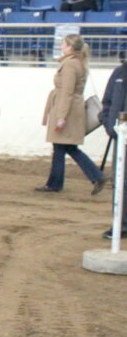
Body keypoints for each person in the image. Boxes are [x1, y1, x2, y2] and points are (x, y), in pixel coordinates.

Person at [35, 34, 107, 195]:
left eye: (64, 44)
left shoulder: (69, 64)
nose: (62, 46)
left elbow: (67, 92)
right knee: (64, 147)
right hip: (73, 108)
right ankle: (58, 182)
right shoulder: (78, 62)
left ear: (70, 47)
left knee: (63, 146)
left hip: (67, 109)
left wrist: (61, 116)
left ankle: (59, 183)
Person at [99, 53, 127, 238]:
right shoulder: (119, 72)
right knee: (120, 182)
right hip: (120, 137)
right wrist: (108, 123)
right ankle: (120, 225)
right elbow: (107, 101)